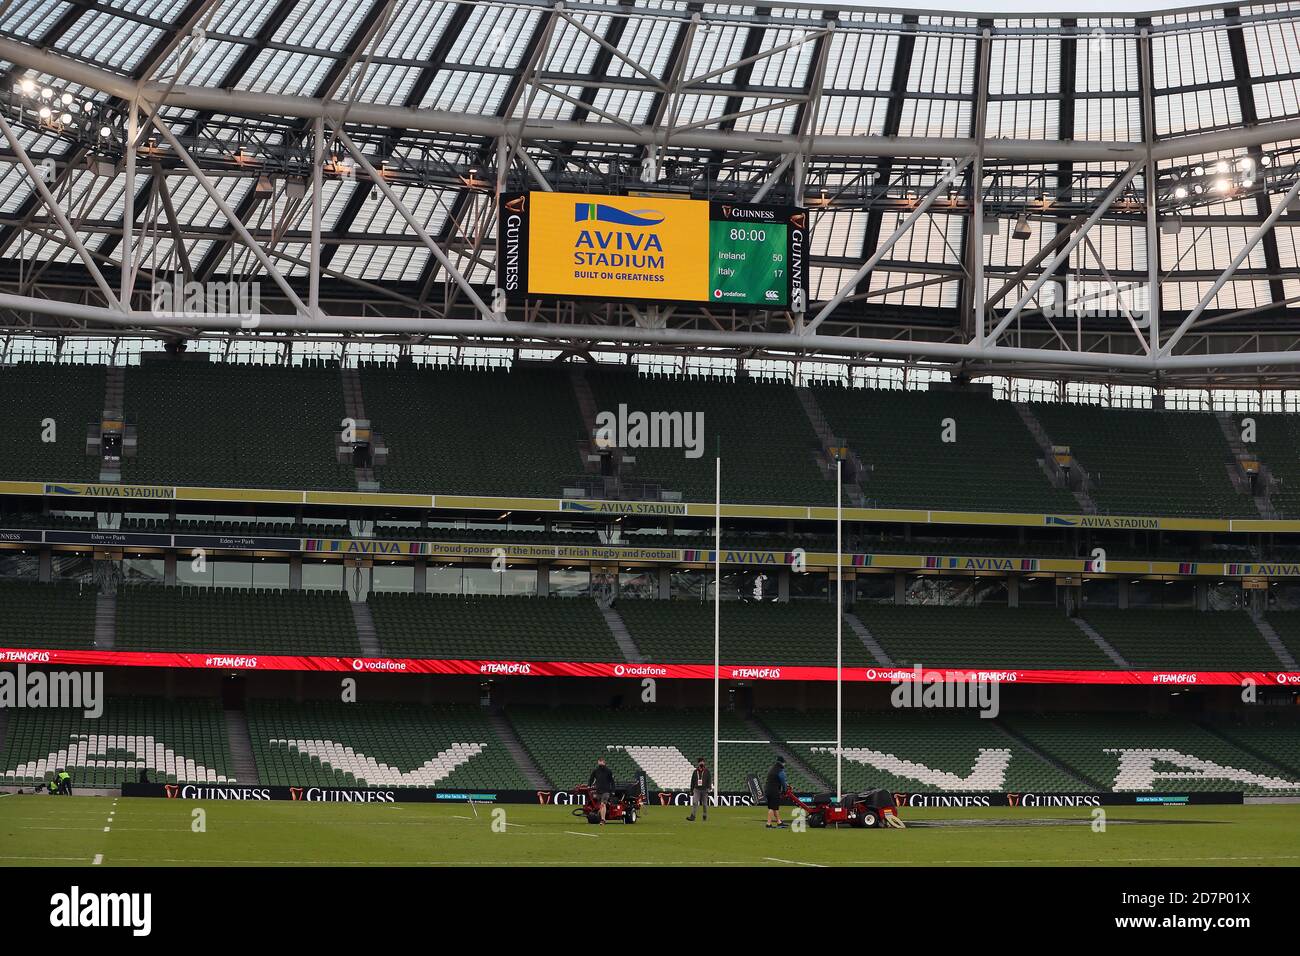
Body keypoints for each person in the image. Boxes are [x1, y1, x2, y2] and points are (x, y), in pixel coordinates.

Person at [588, 756, 616, 825]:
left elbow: (612, 781)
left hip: (606, 791)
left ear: (604, 762)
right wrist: (589, 785)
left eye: (601, 761)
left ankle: (603, 820)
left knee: (603, 804)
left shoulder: (608, 771)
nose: (600, 763)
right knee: (601, 805)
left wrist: (613, 790)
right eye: (599, 761)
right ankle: (600, 817)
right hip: (598, 791)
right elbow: (591, 778)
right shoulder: (595, 770)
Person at [764, 756, 787, 829]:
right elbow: (783, 782)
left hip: (768, 789)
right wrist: (784, 790)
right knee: (772, 807)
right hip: (774, 790)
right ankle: (768, 823)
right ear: (782, 763)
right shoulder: (780, 771)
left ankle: (779, 822)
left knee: (775, 807)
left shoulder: (771, 768)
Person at [686, 757, 711, 822]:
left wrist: (709, 788)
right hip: (697, 789)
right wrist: (691, 790)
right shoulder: (695, 772)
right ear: (698, 763)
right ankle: (693, 816)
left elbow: (709, 780)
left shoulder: (707, 771)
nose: (702, 763)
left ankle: (705, 815)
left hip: (704, 789)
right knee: (695, 802)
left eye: (702, 761)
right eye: (700, 762)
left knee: (705, 804)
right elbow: (692, 781)